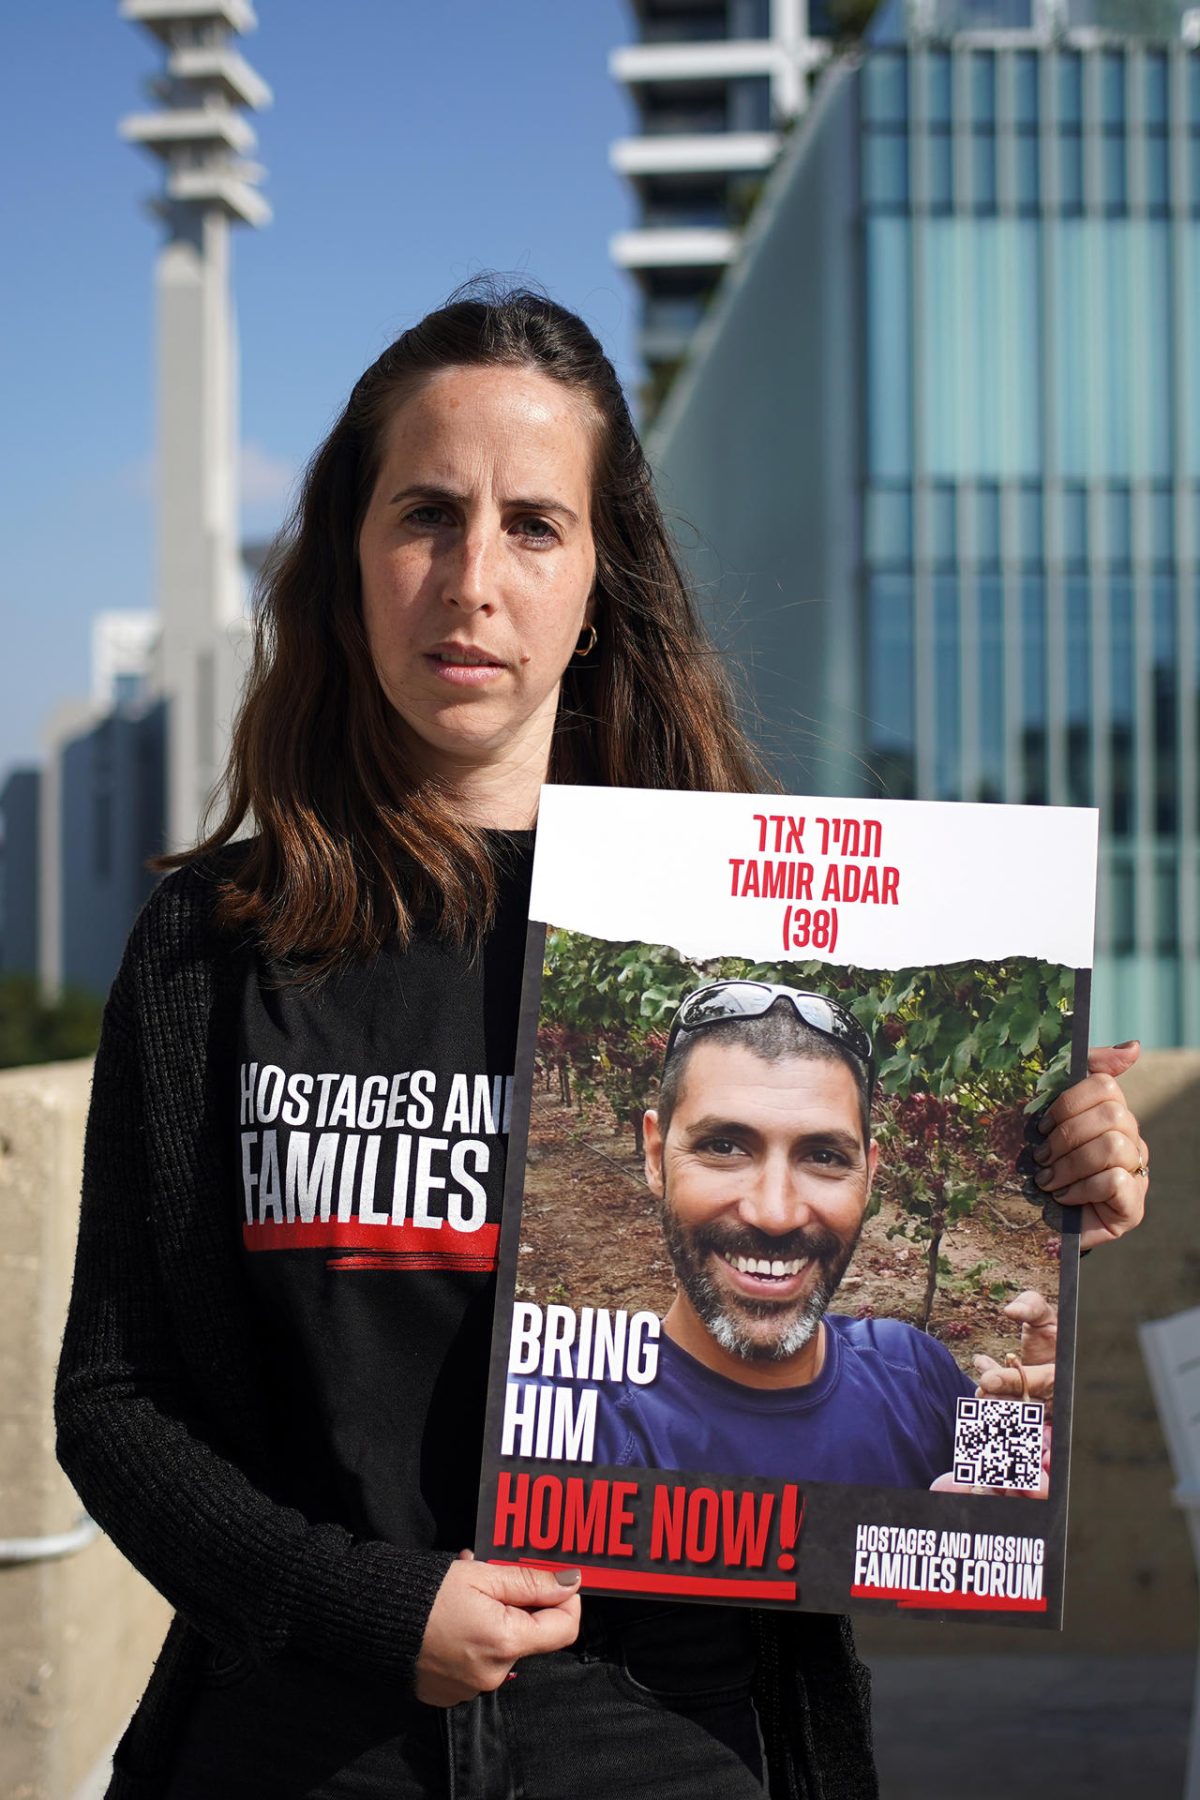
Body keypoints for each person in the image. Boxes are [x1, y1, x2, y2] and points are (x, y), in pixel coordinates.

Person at [53, 286, 1150, 1800]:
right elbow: (114, 1401)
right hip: (301, 1743)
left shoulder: (744, 935)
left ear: (598, 583)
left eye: (534, 527)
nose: (472, 582)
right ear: (349, 562)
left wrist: (1054, 1184)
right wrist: (369, 1609)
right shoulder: (213, 945)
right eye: (426, 515)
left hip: (675, 1735)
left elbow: (945, 1457)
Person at [584, 980, 1084, 1492]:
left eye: (823, 1157)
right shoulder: (582, 1434)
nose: (775, 1214)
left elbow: (1010, 1503)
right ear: (655, 1158)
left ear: (868, 1176)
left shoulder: (913, 1369)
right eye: (724, 1147)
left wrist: (1049, 1445)